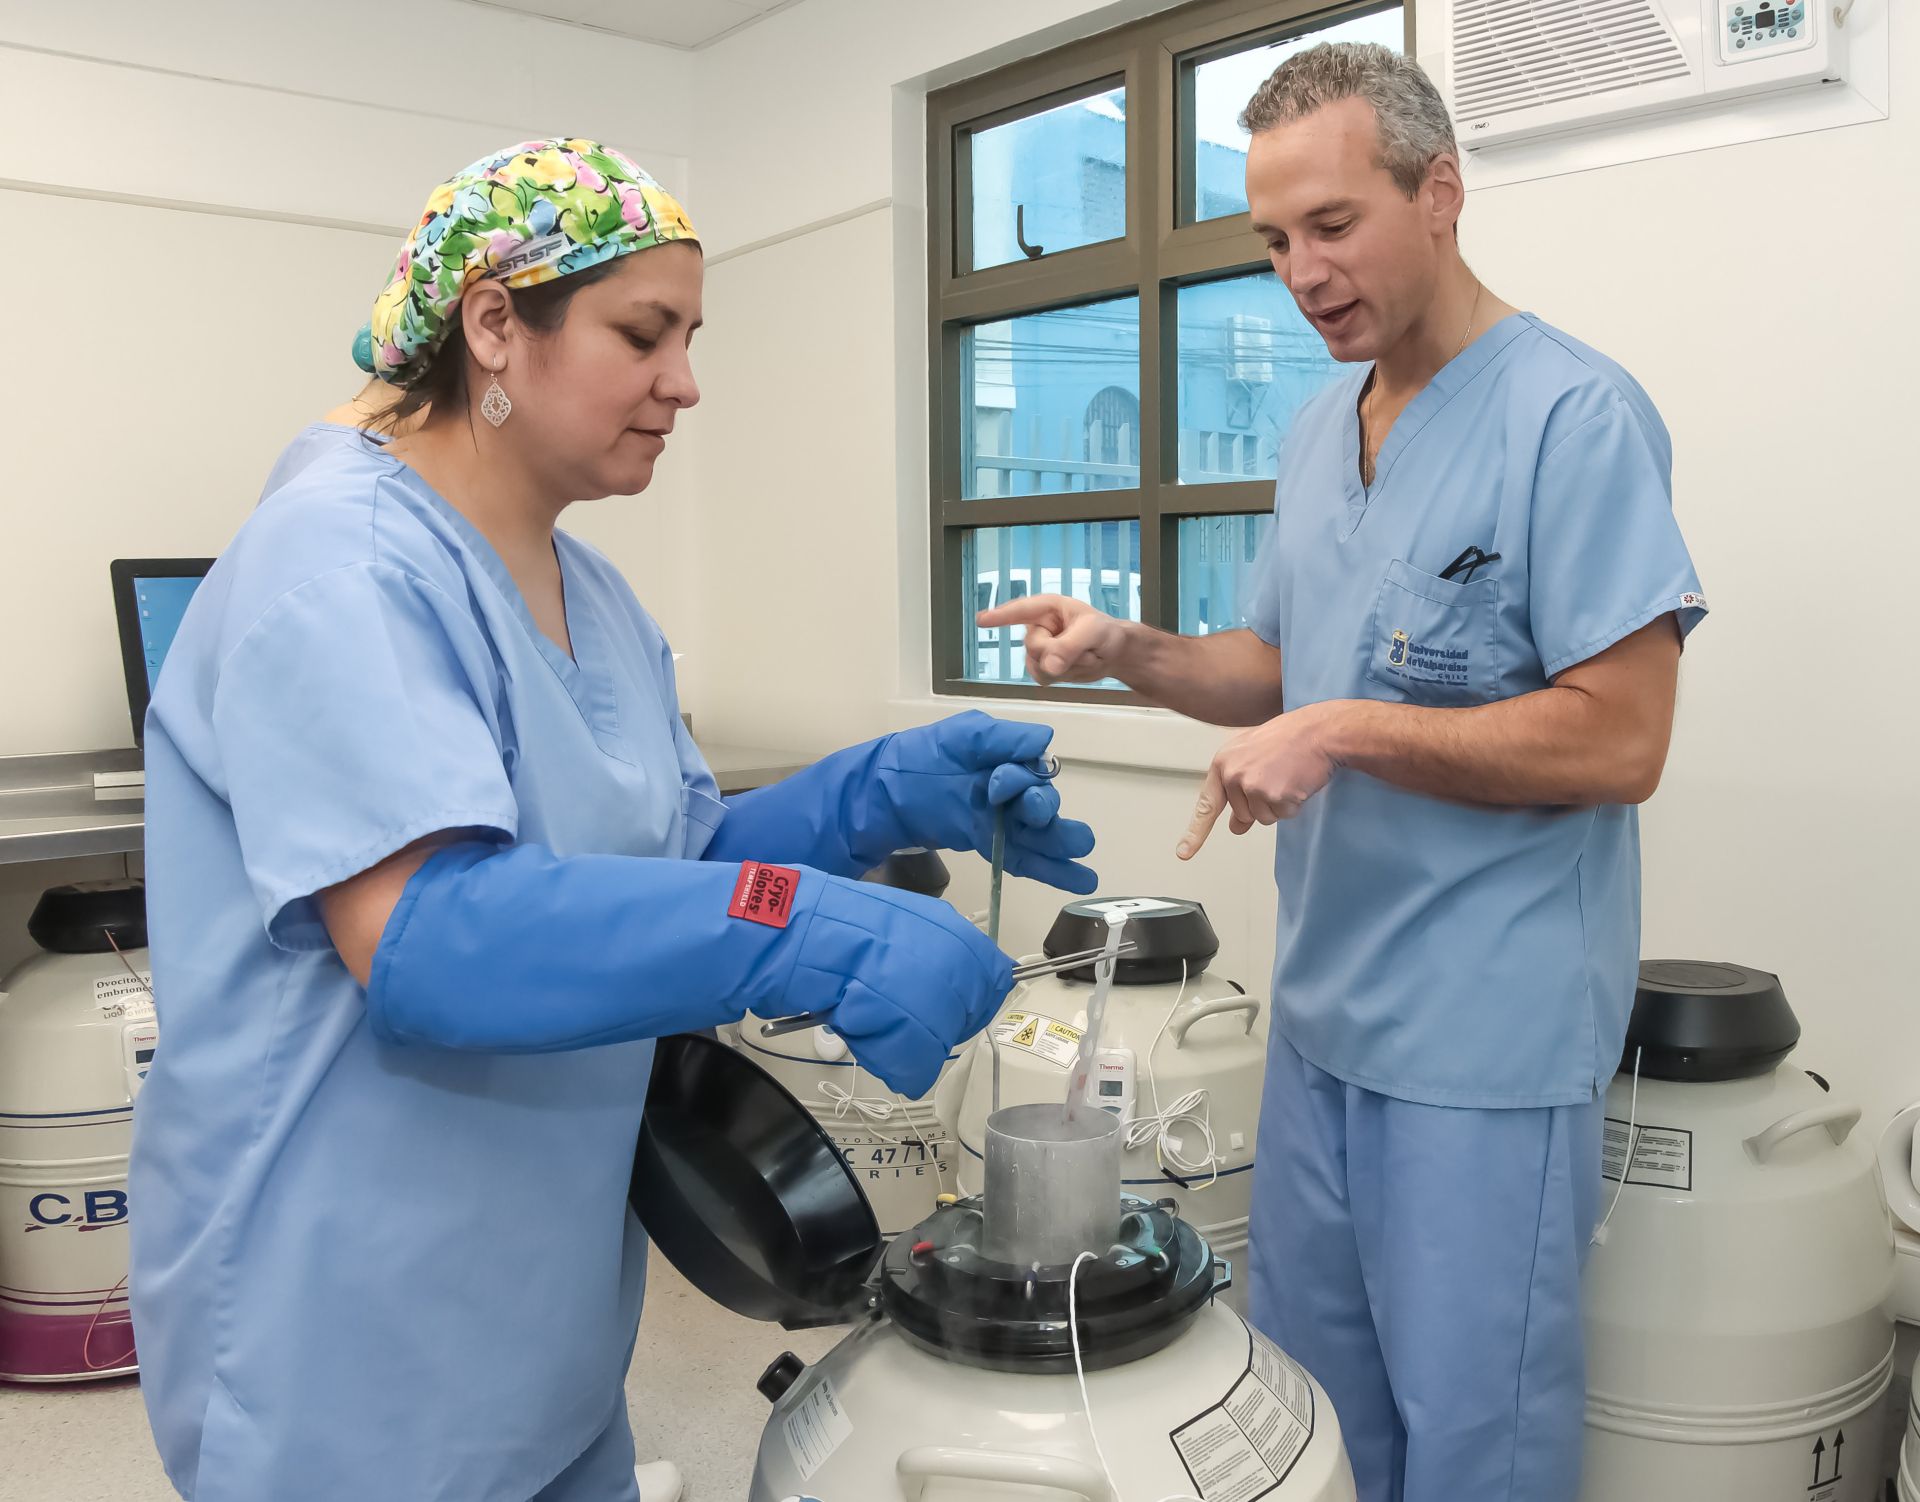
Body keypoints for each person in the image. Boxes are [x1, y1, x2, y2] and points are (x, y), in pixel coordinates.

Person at [128, 137, 1096, 1502]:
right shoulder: (338, 560)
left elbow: (675, 872)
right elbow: (428, 936)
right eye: (645, 333)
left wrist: (873, 795)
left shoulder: (599, 599)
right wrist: (802, 925)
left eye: (690, 337)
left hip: (542, 1319)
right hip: (347, 1331)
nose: (685, 382)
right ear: (493, 327)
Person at [979, 46, 1706, 1502]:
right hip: (1322, 1023)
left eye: (1331, 225)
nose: (1300, 272)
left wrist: (1347, 730)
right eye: (1271, 240)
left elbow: (1622, 739)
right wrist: (1127, 644)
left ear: (1439, 193)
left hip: (1481, 1047)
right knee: (1307, 1410)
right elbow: (1277, 668)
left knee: (1473, 1440)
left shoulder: (1573, 417)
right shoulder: (1323, 427)